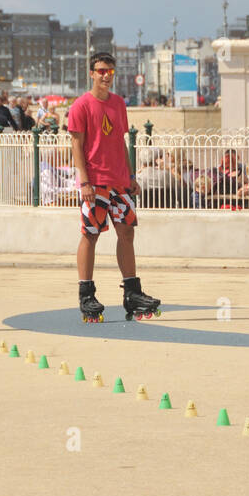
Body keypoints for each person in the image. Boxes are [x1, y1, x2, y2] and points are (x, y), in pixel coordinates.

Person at [67, 53, 161, 322]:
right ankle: (86, 294)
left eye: (110, 70)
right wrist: (84, 181)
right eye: (101, 70)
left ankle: (132, 292)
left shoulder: (119, 104)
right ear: (92, 73)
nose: (106, 75)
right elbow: (76, 145)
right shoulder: (81, 105)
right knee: (91, 234)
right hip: (94, 183)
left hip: (119, 181)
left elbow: (120, 141)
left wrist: (130, 175)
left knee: (127, 232)